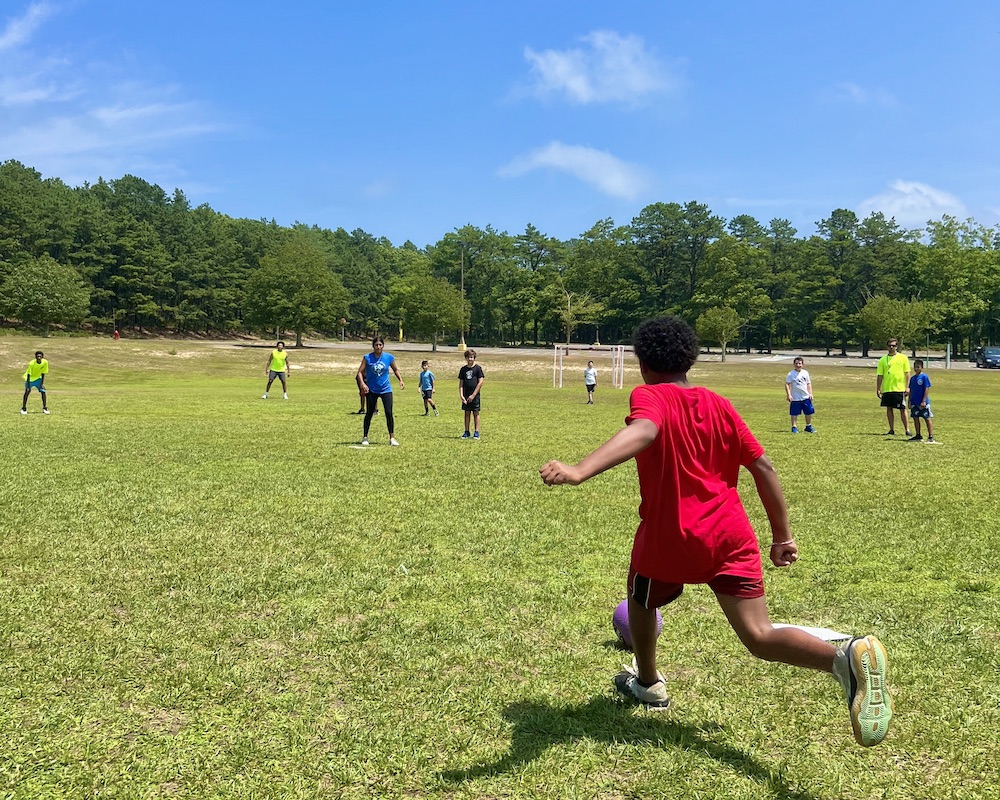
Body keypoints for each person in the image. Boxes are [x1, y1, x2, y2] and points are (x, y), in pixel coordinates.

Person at [539, 316, 892, 747]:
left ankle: (648, 681)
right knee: (759, 636)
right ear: (691, 360)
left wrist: (580, 470)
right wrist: (782, 536)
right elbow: (763, 467)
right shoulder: (720, 404)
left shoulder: (649, 395)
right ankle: (842, 657)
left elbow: (645, 430)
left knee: (641, 596)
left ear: (642, 364)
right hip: (731, 536)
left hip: (671, 537)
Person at [357, 336, 403, 445]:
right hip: (372, 390)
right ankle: (365, 437)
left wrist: (400, 380)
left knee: (388, 413)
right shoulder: (367, 358)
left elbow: (395, 369)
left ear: (383, 346)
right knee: (369, 413)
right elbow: (359, 372)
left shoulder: (389, 357)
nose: (378, 347)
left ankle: (392, 438)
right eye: (376, 345)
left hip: (386, 389)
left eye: (380, 345)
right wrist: (363, 384)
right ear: (373, 346)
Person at [876, 338, 911, 436]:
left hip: (899, 388)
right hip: (887, 388)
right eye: (890, 345)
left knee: (902, 409)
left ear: (897, 346)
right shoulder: (882, 360)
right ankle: (891, 429)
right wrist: (878, 389)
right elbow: (880, 375)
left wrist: (907, 387)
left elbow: (907, 373)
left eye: (894, 345)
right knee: (889, 409)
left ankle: (907, 429)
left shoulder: (903, 358)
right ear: (887, 347)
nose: (892, 347)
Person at [459, 349, 484, 439]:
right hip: (466, 395)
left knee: (476, 413)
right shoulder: (463, 369)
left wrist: (473, 394)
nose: (470, 359)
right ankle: (466, 431)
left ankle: (476, 432)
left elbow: (480, 382)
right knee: (467, 413)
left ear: (474, 358)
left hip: (475, 395)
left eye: (472, 357)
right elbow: (461, 383)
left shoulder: (478, 368)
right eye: (468, 357)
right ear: (466, 358)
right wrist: (461, 395)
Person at [784, 357, 815, 433]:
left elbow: (808, 383)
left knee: (808, 412)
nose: (798, 365)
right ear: (794, 364)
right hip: (795, 398)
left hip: (805, 396)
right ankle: (794, 427)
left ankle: (808, 426)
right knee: (794, 413)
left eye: (800, 363)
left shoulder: (805, 373)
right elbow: (787, 384)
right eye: (796, 363)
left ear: (802, 364)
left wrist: (810, 393)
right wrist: (789, 395)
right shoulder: (791, 374)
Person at [907, 359, 934, 443]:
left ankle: (930, 436)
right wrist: (909, 401)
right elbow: (911, 390)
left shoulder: (924, 377)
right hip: (915, 402)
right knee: (915, 418)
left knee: (927, 418)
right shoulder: (912, 378)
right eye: (915, 367)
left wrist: (924, 401)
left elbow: (926, 388)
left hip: (923, 403)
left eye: (918, 367)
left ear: (922, 368)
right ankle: (918, 435)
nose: (916, 369)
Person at [21, 351, 50, 415]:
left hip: (38, 378)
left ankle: (45, 408)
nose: (39, 357)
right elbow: (28, 374)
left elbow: (43, 373)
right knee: (27, 392)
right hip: (29, 378)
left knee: (43, 391)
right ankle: (23, 408)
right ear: (35, 357)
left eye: (40, 356)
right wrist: (28, 386)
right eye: (38, 356)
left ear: (42, 357)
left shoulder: (45, 362)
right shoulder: (31, 363)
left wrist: (41, 384)